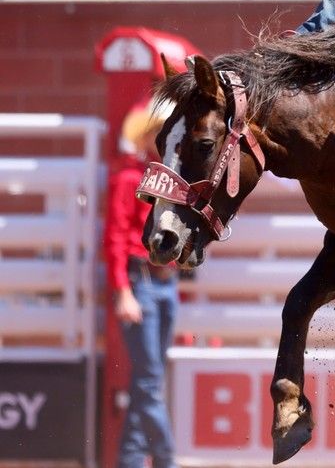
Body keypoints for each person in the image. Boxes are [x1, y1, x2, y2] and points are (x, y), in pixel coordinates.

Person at [103, 98, 178, 468]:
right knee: (149, 381)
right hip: (141, 282)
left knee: (147, 381)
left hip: (162, 282)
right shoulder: (128, 178)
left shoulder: (166, 182)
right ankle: (167, 461)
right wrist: (122, 290)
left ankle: (130, 460)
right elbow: (115, 237)